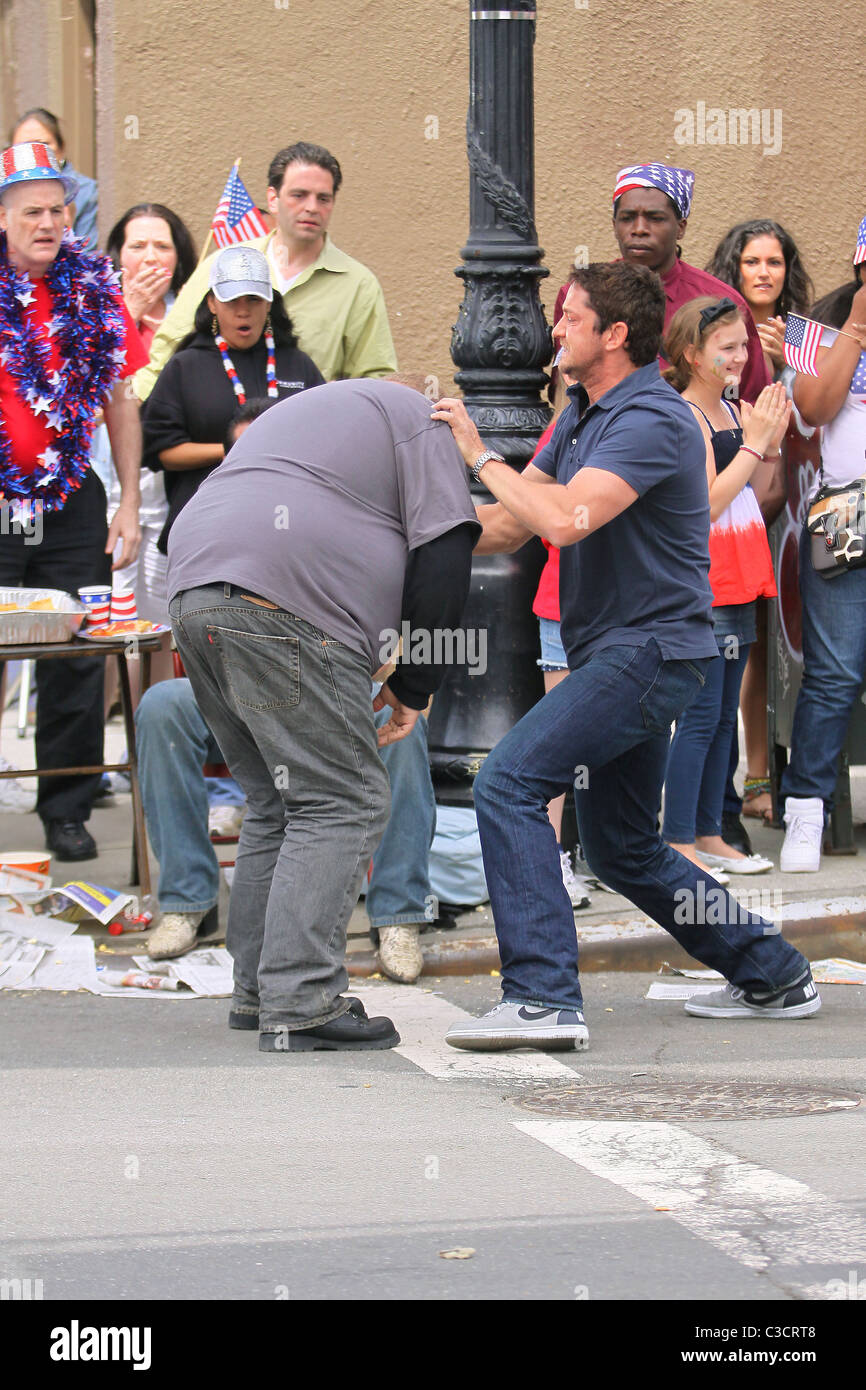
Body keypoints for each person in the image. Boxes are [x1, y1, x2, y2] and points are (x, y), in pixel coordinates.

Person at [432, 261, 820, 1051]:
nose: (555, 329)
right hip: (625, 651)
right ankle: (773, 971)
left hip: (649, 652)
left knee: (508, 779)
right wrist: (411, 526)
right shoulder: (580, 412)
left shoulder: (650, 418)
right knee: (623, 846)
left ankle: (542, 997)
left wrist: (478, 451)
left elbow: (569, 519)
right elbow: (512, 524)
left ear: (614, 334)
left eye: (569, 316)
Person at [165, 379, 480, 1049]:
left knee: (278, 802)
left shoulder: (324, 420)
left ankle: (258, 992)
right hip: (281, 604)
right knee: (344, 798)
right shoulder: (424, 427)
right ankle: (302, 1000)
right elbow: (446, 560)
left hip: (195, 587)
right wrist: (415, 688)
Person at [0, 141, 146, 861]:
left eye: (58, 208)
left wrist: (124, 504)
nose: (48, 222)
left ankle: (66, 805)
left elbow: (121, 401)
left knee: (77, 654)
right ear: (4, 218)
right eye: (32, 211)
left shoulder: (94, 289)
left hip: (71, 497)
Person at [661, 297, 787, 877]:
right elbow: (705, 504)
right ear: (691, 353)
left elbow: (756, 483)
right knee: (700, 713)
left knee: (721, 718)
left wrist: (770, 432)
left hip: (741, 574)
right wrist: (758, 443)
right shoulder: (683, 415)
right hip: (703, 580)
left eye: (744, 346)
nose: (741, 357)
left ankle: (709, 831)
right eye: (728, 348)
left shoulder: (735, 411)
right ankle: (678, 838)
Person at [136, 142, 396, 399]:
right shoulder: (223, 264)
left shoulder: (358, 284)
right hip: (214, 434)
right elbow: (165, 356)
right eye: (299, 195)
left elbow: (375, 383)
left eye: (323, 198)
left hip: (309, 432)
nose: (312, 207)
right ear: (273, 198)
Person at [706, 219, 814, 835]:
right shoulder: (722, 331)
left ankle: (771, 770)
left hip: (801, 497)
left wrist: (787, 359)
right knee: (744, 642)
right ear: (735, 268)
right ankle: (754, 777)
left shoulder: (805, 334)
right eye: (752, 262)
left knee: (783, 642)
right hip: (744, 497)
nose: (765, 272)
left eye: (775, 261)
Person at [778, 219, 866, 871]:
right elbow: (811, 410)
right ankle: (804, 814)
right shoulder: (823, 333)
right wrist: (857, 328)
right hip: (847, 512)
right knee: (833, 675)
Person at [141, 244, 324, 554]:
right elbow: (161, 451)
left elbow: (323, 439)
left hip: (286, 530)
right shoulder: (185, 366)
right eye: (231, 300)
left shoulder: (298, 364)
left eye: (253, 299)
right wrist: (232, 450)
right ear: (212, 303)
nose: (243, 310)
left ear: (269, 303)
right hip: (205, 528)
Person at [551, 164, 771, 405]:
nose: (639, 229)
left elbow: (752, 398)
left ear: (681, 227)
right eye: (627, 218)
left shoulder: (721, 301)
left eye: (655, 219)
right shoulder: (579, 295)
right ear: (614, 225)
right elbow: (562, 389)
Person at [96, 204, 199, 692]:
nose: (150, 257)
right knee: (108, 625)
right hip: (104, 484)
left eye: (162, 246)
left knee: (159, 623)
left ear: (179, 259)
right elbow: (82, 401)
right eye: (137, 246)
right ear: (118, 255)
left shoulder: (195, 317)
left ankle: (153, 748)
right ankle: (101, 750)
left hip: (168, 487)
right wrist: (127, 313)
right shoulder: (94, 309)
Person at [10, 108, 98, 250]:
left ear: (61, 148)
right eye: (24, 147)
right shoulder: (5, 194)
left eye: (56, 211)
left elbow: (90, 257)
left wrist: (66, 236)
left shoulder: (87, 192)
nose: (34, 153)